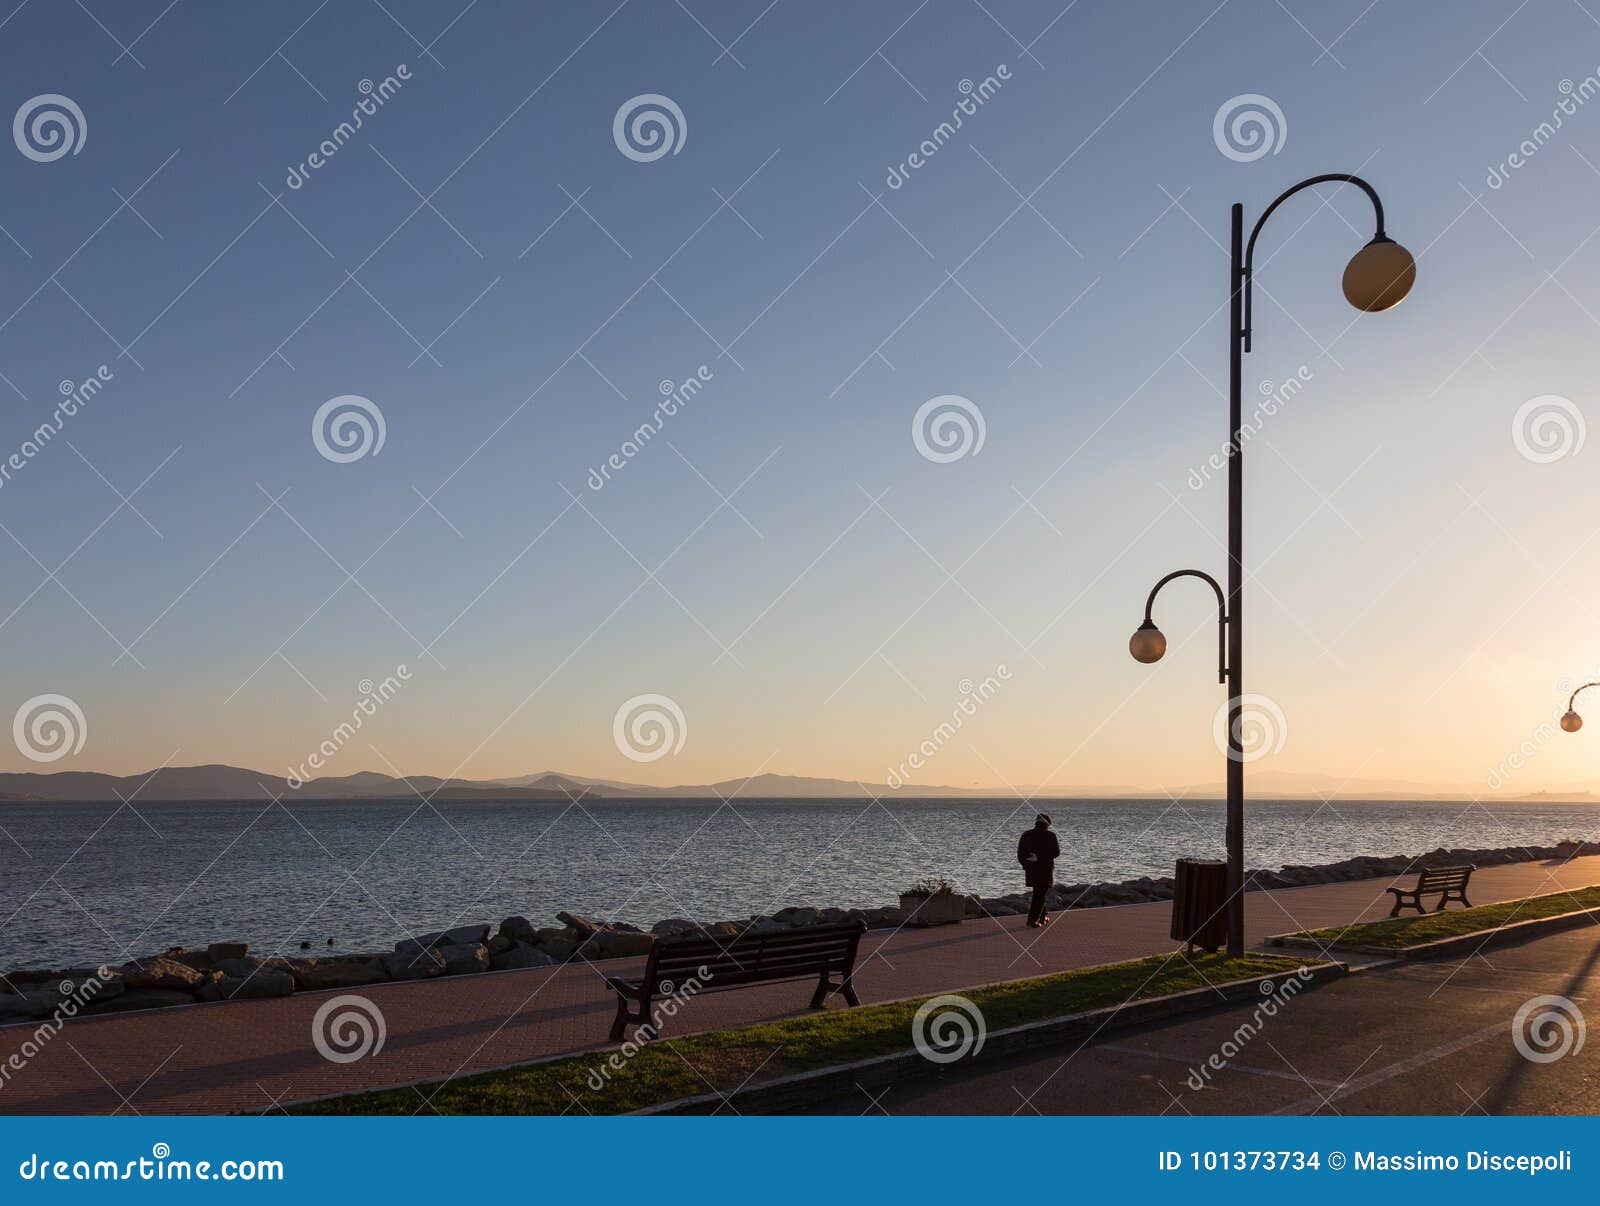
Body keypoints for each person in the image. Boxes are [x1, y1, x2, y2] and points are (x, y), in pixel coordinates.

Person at [1016, 813, 1060, 927]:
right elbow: (1056, 852)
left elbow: (1020, 853)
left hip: (1031, 869)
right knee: (1040, 895)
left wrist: (1025, 864)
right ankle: (1032, 920)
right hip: (1045, 869)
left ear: (1036, 822)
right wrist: (1039, 857)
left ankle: (1043, 917)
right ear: (1048, 824)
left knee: (1038, 893)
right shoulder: (1050, 835)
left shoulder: (1026, 835)